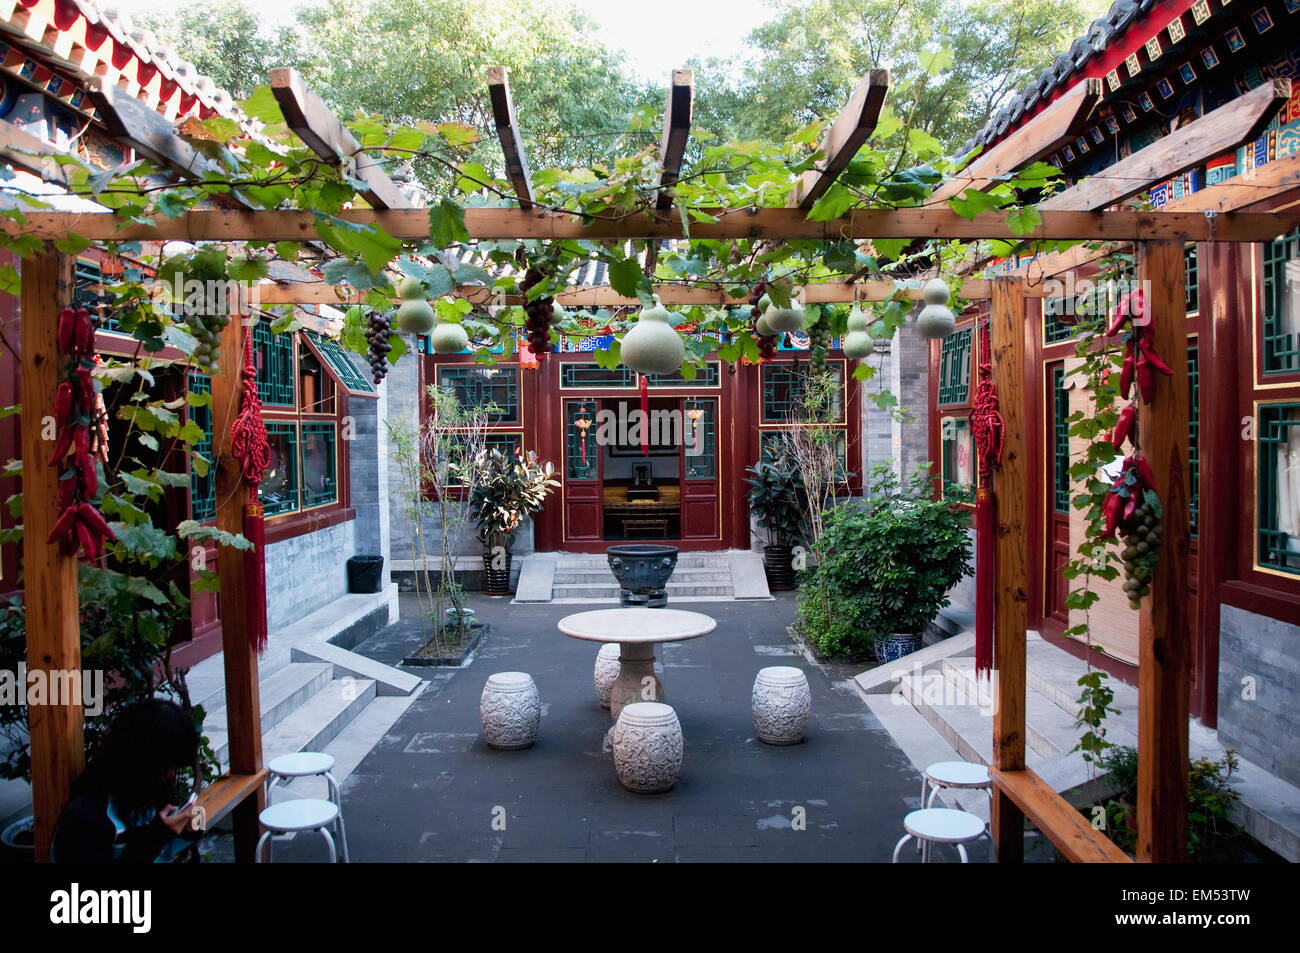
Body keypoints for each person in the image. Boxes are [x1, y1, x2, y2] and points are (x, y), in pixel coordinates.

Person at [52, 698, 204, 863]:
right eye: (166, 767)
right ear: (140, 759)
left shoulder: (144, 795)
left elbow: (162, 852)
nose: (171, 775)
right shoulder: (87, 816)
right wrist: (156, 836)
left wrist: (191, 828)